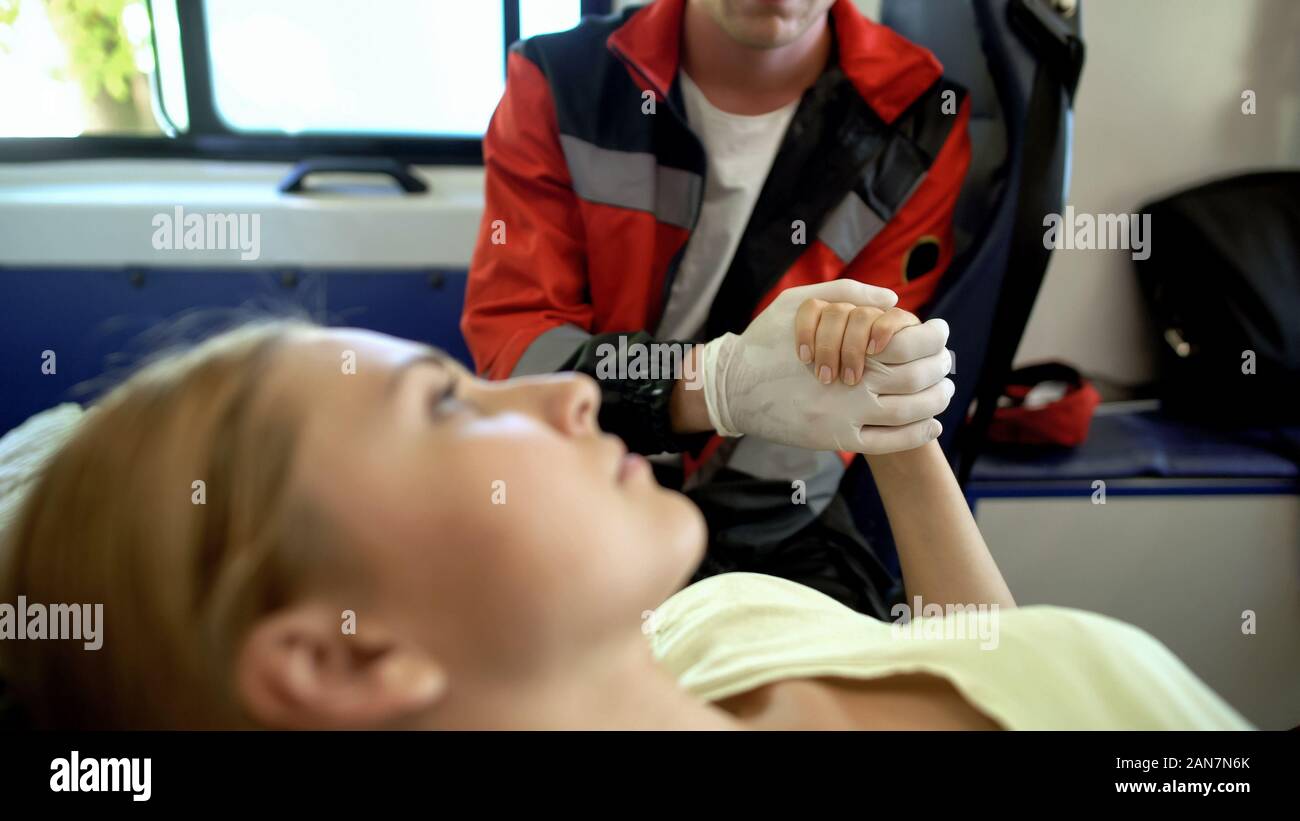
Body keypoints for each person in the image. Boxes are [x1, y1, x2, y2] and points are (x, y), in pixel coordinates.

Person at [0, 322, 1250, 730]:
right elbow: (543, 342)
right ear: (344, 653)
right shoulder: (565, 87)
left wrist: (899, 438)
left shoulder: (678, 642)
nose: (565, 395)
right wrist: (709, 379)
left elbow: (991, 653)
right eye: (441, 403)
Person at [462, 0, 973, 617]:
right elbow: (520, 357)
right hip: (574, 470)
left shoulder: (918, 115)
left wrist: (699, 566)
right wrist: (710, 385)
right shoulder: (560, 80)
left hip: (778, 507)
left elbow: (858, 378)